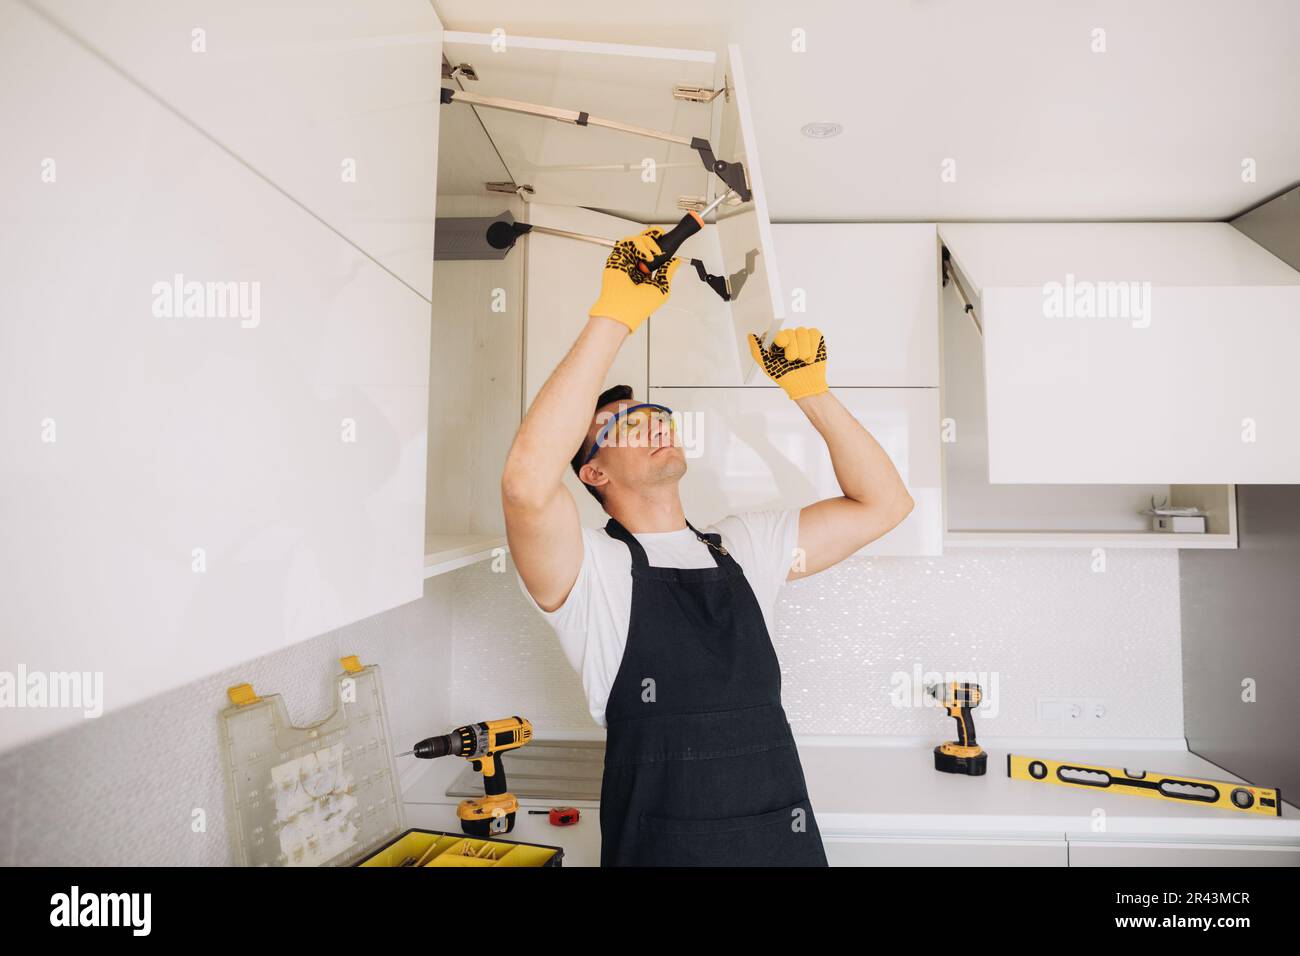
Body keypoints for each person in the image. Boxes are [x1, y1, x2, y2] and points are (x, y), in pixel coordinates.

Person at [502, 228, 914, 866]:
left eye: (655, 412)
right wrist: (614, 316)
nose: (653, 422)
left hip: (781, 842)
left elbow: (885, 505)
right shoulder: (590, 572)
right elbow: (527, 485)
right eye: (623, 423)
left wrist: (812, 394)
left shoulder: (744, 548)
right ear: (593, 474)